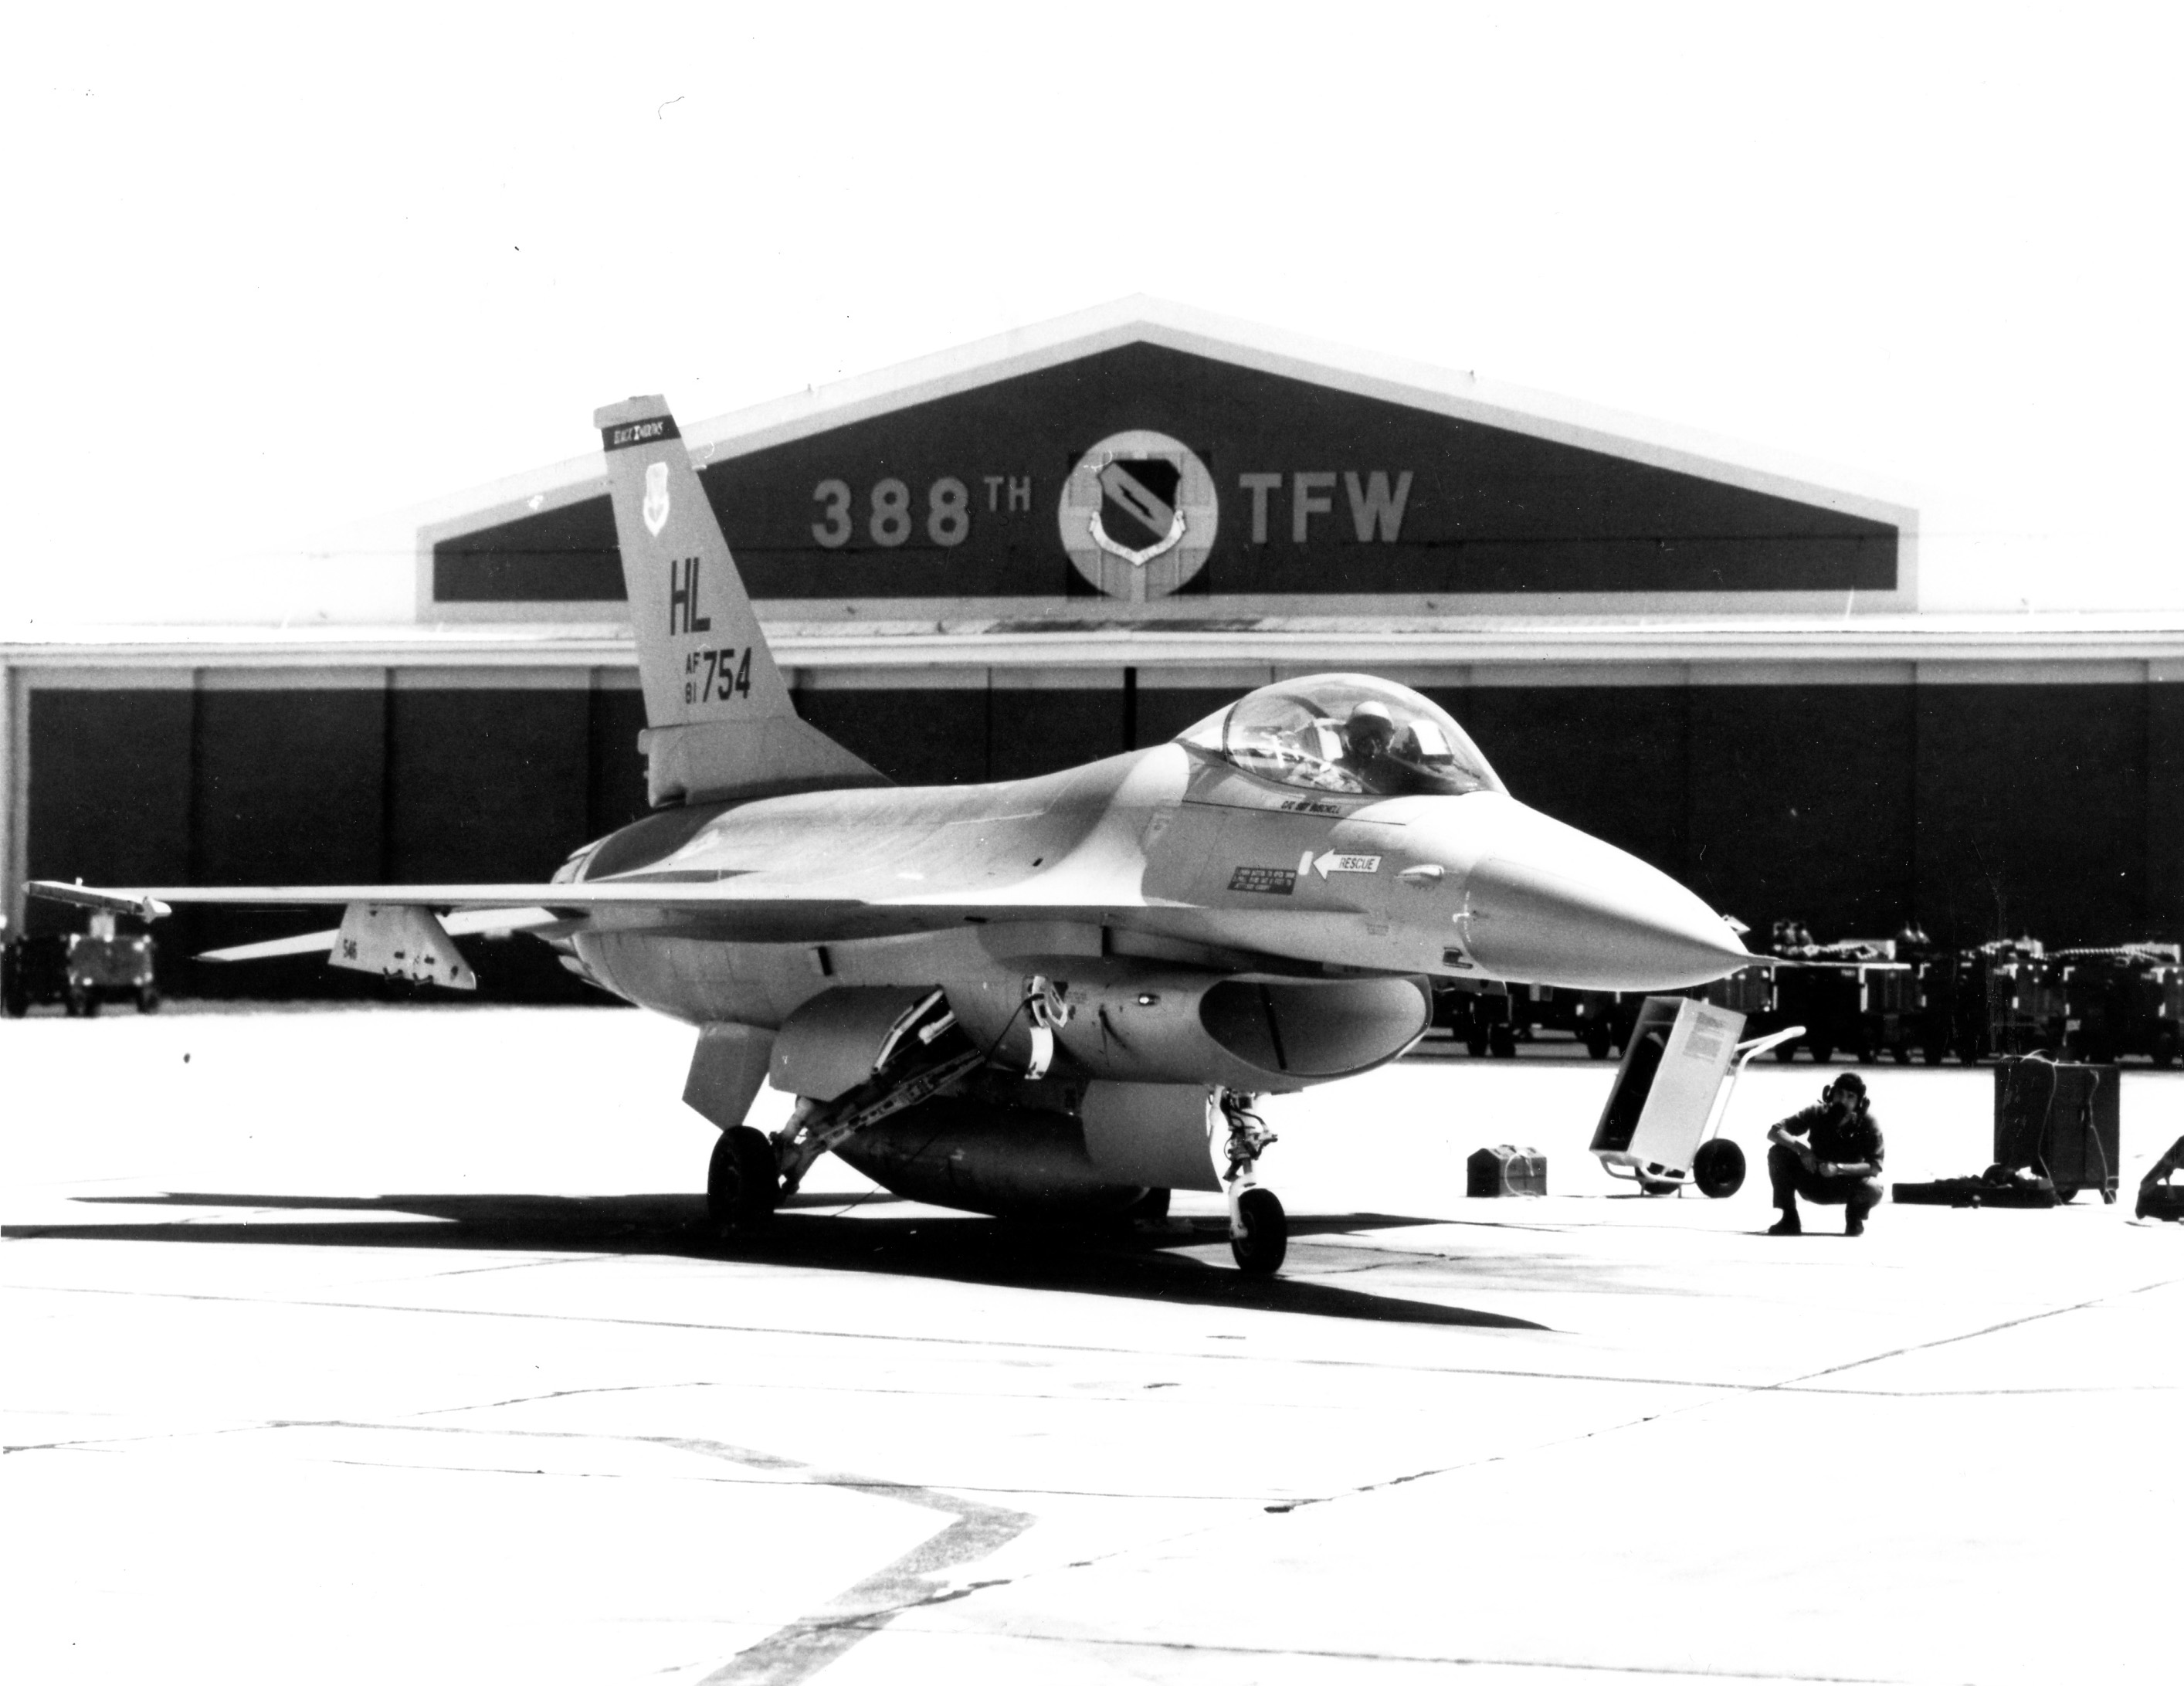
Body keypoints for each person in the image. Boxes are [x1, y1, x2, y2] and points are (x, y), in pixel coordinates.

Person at [1766, 1072, 1885, 1237]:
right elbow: (1775, 1132)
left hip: (1846, 1185)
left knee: (1874, 1188)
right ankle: (1789, 1218)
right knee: (1778, 1153)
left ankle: (1854, 1218)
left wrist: (1838, 1169)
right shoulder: (1817, 1112)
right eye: (1840, 1094)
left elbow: (1875, 1167)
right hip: (1814, 1180)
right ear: (1830, 1094)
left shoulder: (1868, 1122)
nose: (1843, 1101)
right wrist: (1803, 1150)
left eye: (1850, 1097)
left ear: (1859, 1103)